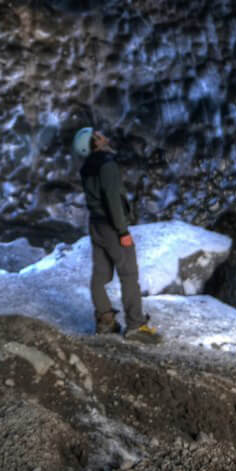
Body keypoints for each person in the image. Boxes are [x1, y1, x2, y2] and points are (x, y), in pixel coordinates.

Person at [74, 126, 160, 344]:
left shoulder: (86, 168)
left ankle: (106, 322)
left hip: (96, 224)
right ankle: (135, 326)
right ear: (94, 143)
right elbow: (113, 199)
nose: (104, 136)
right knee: (129, 275)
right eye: (99, 136)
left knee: (100, 275)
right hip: (112, 226)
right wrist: (122, 231)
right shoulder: (107, 165)